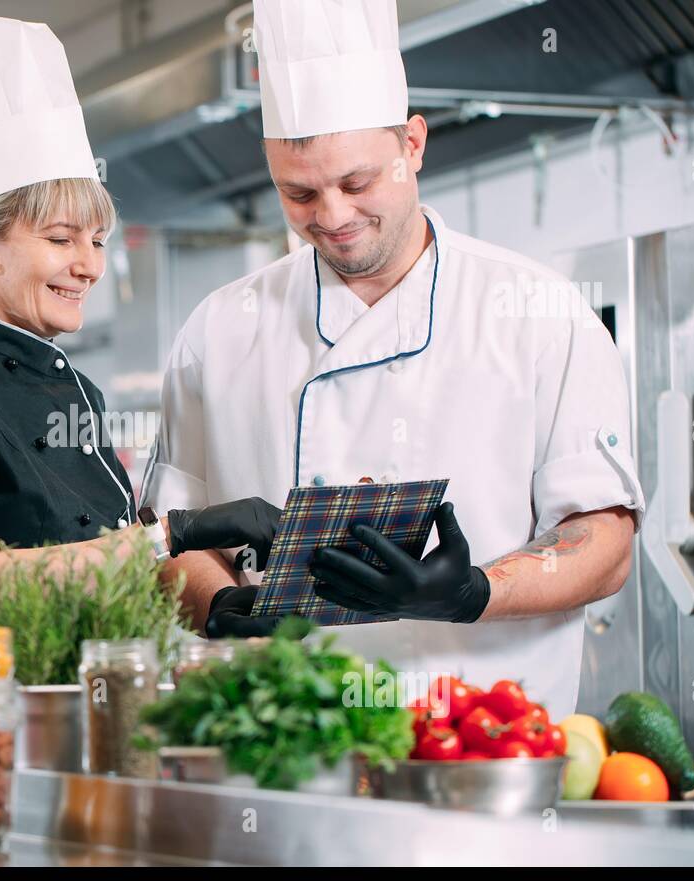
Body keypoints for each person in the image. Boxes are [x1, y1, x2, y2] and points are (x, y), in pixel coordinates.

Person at [140, 0, 645, 717]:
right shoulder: (217, 332)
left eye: (357, 183)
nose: (334, 217)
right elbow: (168, 540)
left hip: (480, 753)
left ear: (413, 144)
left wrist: (473, 590)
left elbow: (603, 541)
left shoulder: (540, 311)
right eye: (300, 193)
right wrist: (221, 603)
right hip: (285, 755)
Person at [0, 14, 278, 671]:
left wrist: (226, 608)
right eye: (60, 239)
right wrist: (170, 536)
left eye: (97, 240)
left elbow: (117, 558)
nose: (90, 265)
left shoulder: (79, 389)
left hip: (67, 719)